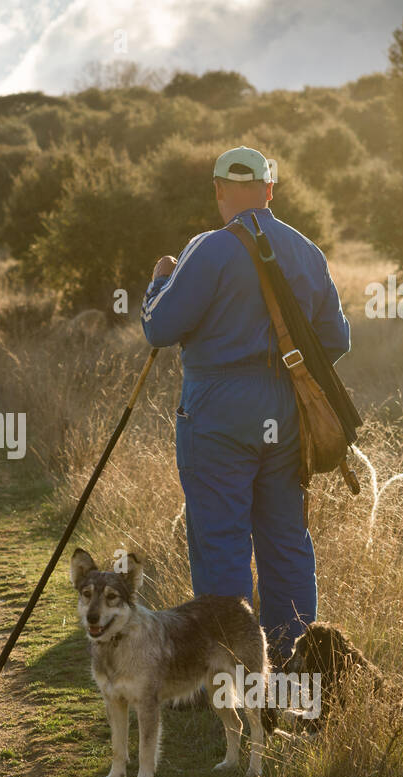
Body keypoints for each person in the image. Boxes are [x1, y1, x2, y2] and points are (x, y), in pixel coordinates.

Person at [139, 146, 350, 665]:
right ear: (270, 190)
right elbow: (337, 339)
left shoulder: (207, 249)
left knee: (221, 541)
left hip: (216, 412)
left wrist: (160, 280)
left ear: (218, 190)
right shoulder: (305, 251)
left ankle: (234, 675)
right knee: (285, 540)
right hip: (285, 412)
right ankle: (293, 669)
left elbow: (160, 328)